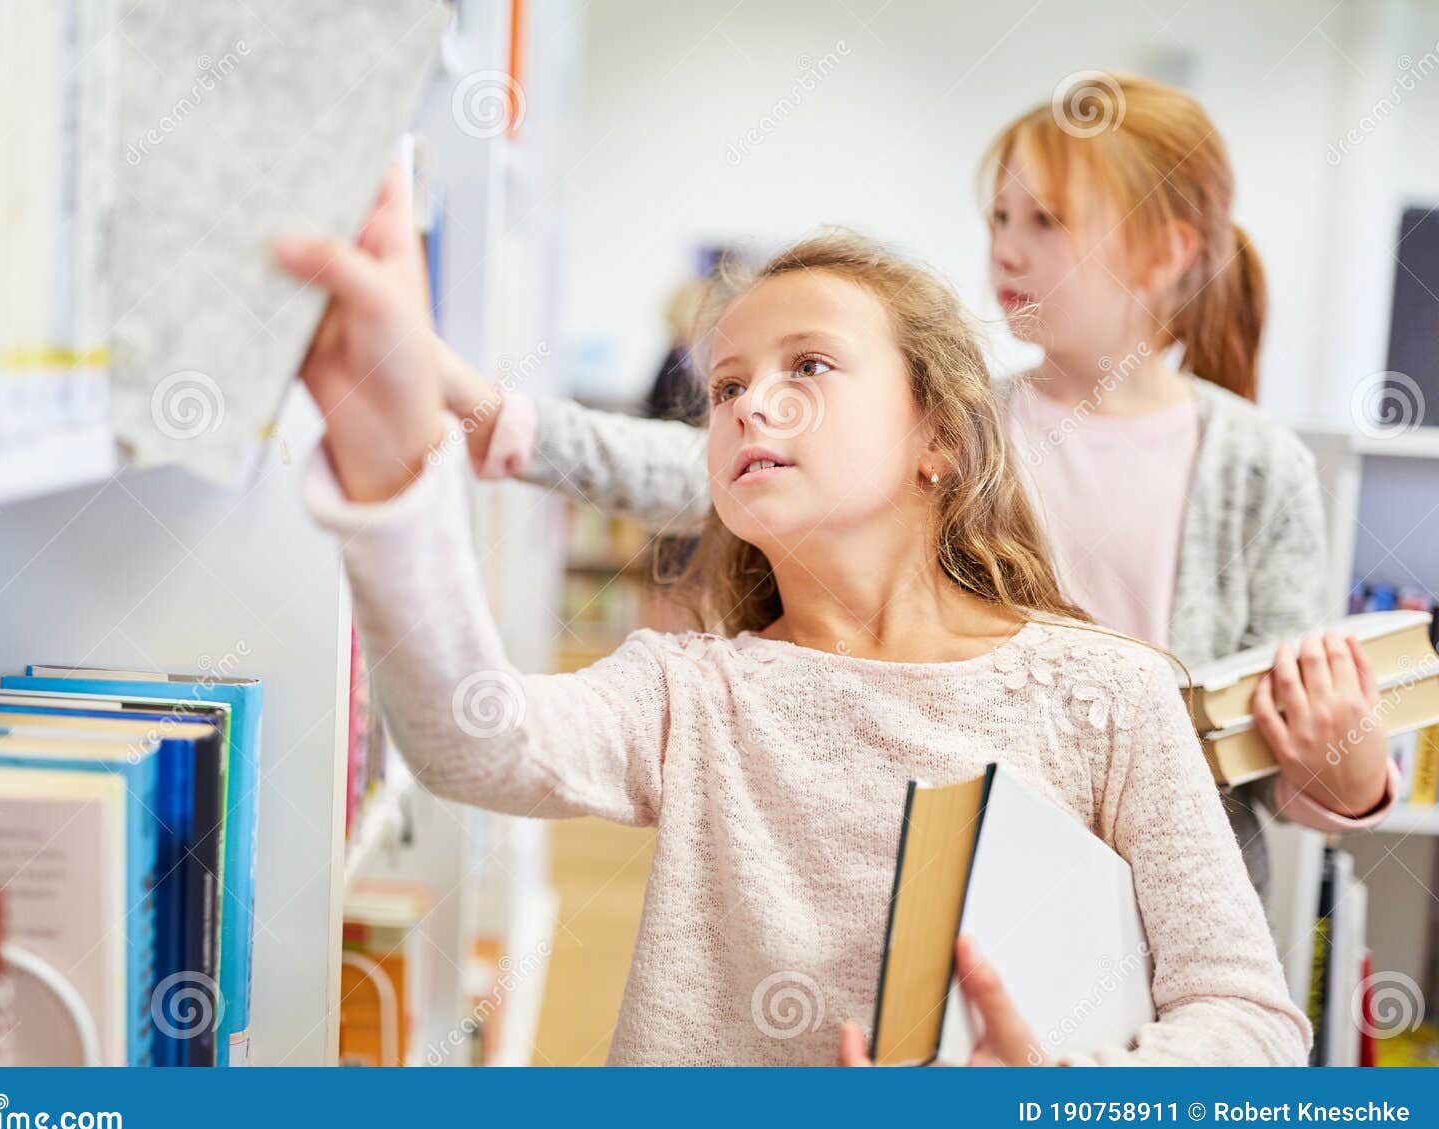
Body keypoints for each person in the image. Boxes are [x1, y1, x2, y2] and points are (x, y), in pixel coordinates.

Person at [273, 173, 1310, 1064]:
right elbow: (471, 742)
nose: (747, 405)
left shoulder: (1114, 694)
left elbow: (1251, 1022)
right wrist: (387, 477)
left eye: (807, 366)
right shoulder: (690, 691)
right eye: (725, 386)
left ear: (937, 437)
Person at [441, 74, 1400, 902]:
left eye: (1047, 222)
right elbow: (711, 465)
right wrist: (506, 423)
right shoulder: (961, 422)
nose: (1008, 249)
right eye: (999, 218)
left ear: (1167, 253)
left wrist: (1351, 777)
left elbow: (1279, 741)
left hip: (1161, 922)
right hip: (965, 884)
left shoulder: (1258, 466)